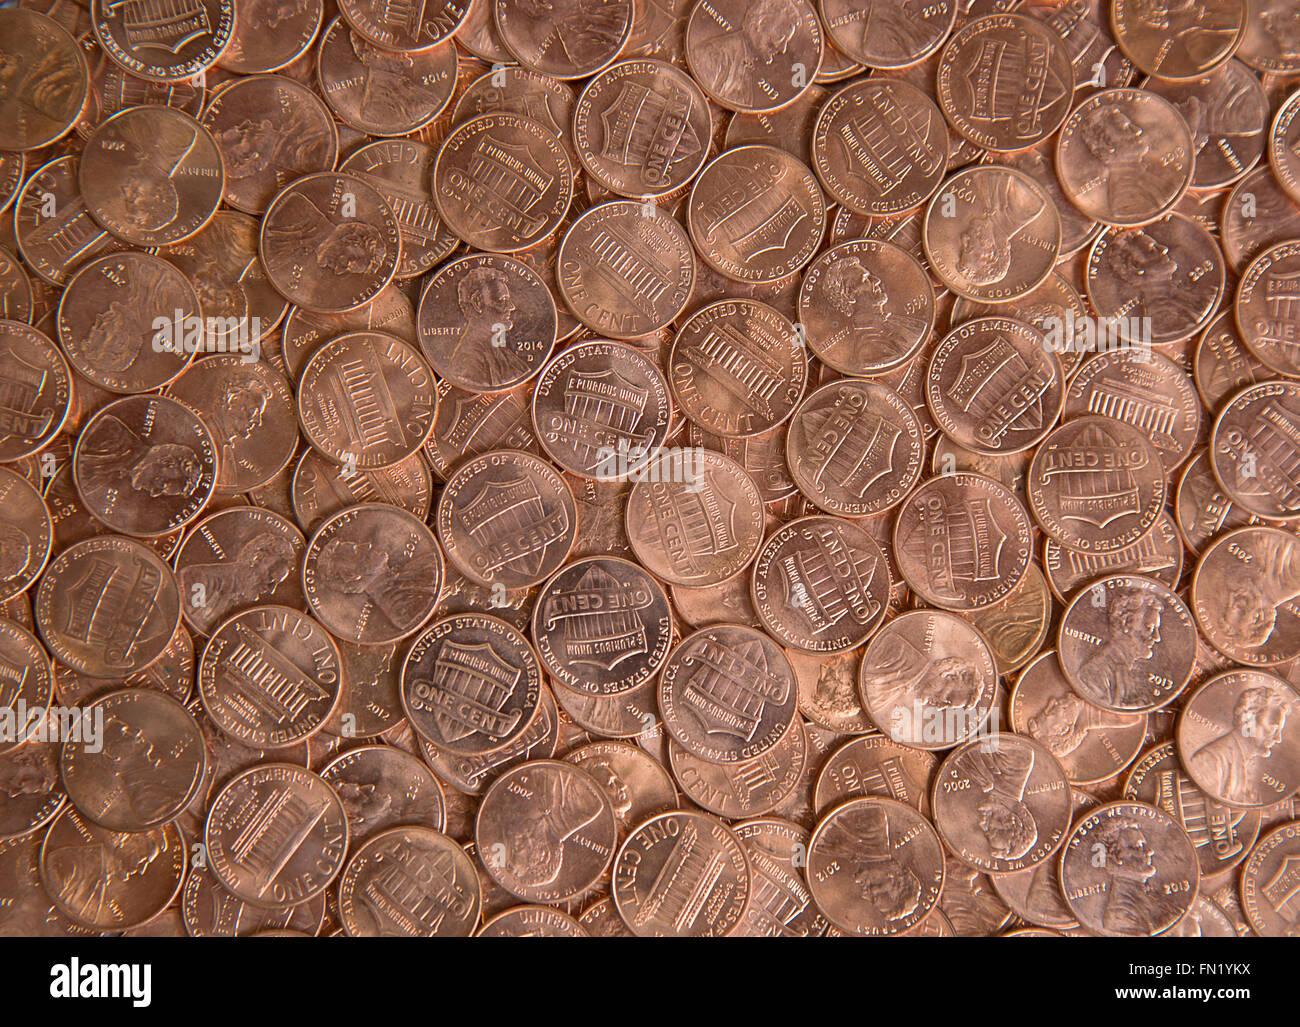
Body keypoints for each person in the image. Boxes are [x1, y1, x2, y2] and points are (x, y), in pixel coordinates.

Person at [1189, 686, 1291, 805]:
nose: (1278, 739)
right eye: (1273, 728)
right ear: (1247, 720)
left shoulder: (1247, 762)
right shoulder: (1211, 760)